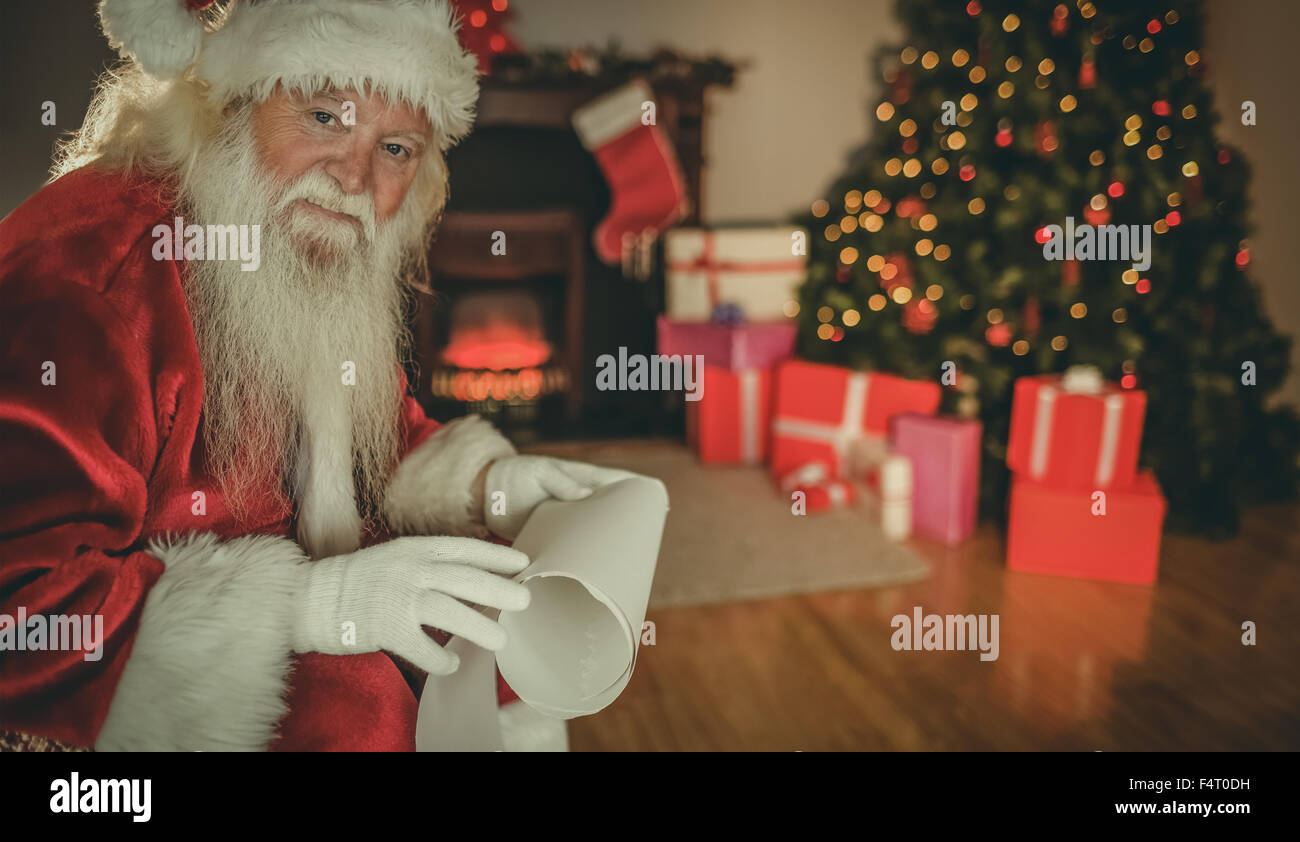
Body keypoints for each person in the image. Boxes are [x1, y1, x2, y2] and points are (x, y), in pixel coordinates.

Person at [0, 0, 629, 751]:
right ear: (229, 104)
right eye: (326, 116)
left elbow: (378, 434)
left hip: (282, 593)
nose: (354, 176)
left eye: (396, 148)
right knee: (363, 709)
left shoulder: (291, 247)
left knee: (503, 641)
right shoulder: (86, 284)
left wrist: (491, 487)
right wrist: (314, 606)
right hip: (134, 705)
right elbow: (20, 614)